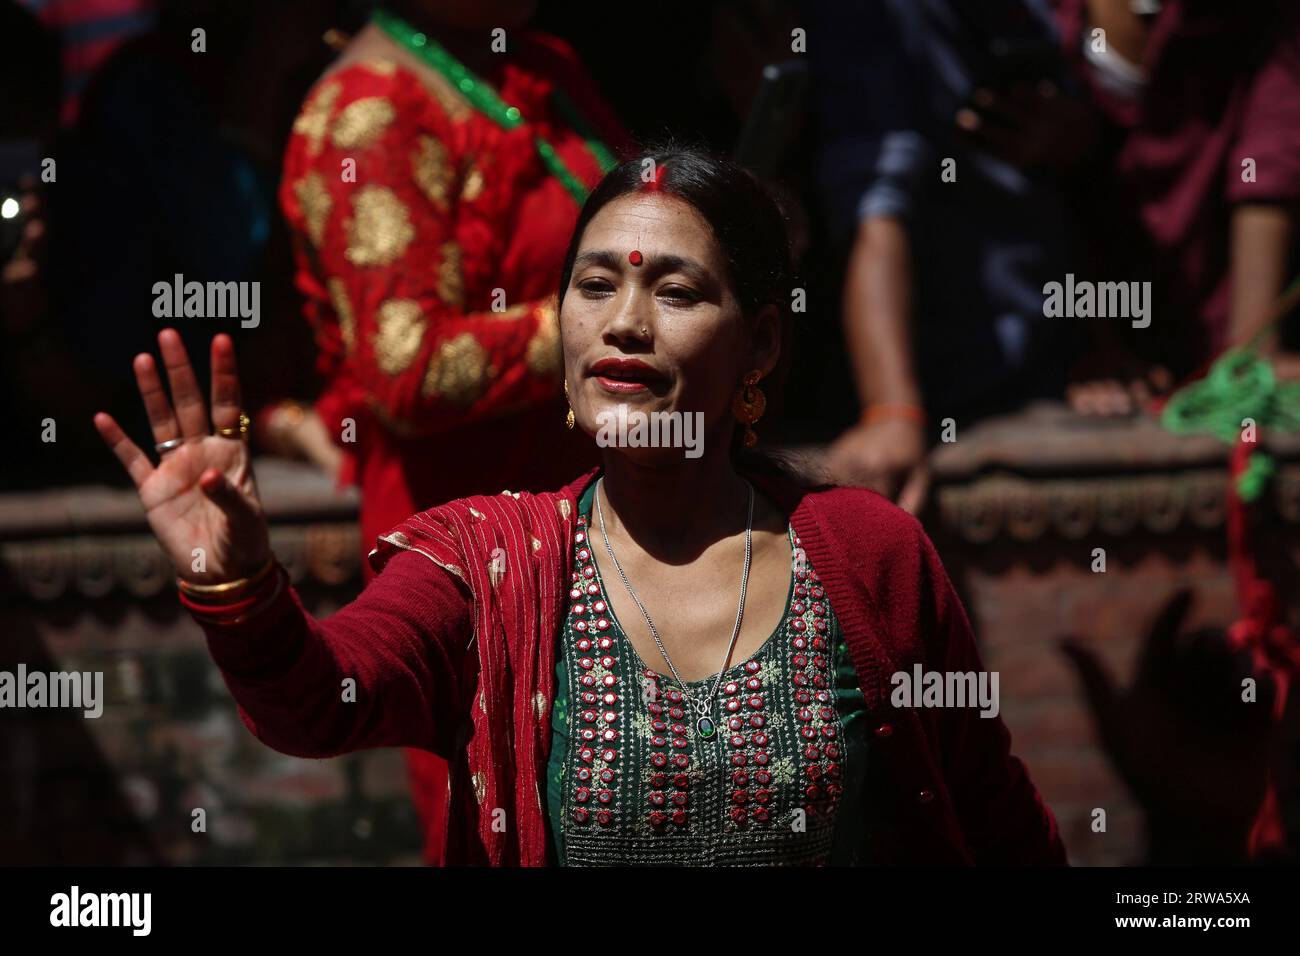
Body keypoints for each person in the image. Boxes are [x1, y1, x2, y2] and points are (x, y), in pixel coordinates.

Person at [94, 147, 1064, 866]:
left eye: (675, 290)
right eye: (594, 285)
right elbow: (316, 700)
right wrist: (235, 578)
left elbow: (996, 820)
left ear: (759, 345)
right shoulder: (487, 566)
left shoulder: (867, 552)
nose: (624, 323)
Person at [277, 0, 631, 860]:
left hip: (618, 509)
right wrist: (631, 316)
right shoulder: (371, 111)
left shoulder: (542, 62)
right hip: (482, 544)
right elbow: (409, 369)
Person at [811, 0, 1086, 513]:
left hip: (1039, 366)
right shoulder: (875, 21)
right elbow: (874, 199)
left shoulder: (1045, 22)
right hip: (933, 380)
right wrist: (891, 409)